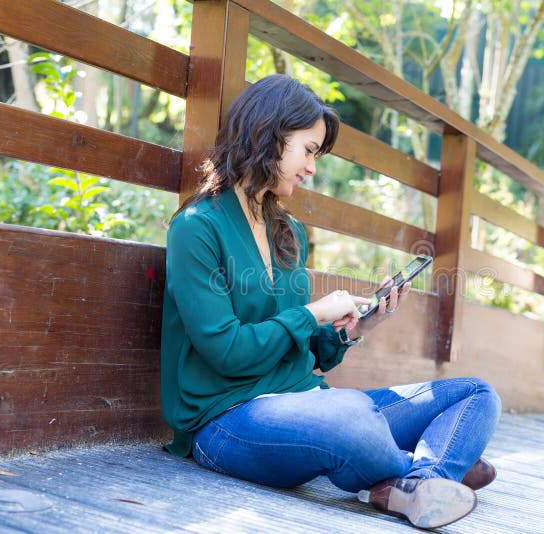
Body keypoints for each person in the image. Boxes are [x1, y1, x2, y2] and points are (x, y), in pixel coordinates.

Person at [161, 74, 501, 529]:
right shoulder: (196, 228)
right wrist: (311, 313)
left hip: (307, 401)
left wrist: (356, 328)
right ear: (269, 134)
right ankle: (432, 468)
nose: (312, 168)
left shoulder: (289, 232)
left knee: (476, 394)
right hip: (226, 420)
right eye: (308, 150)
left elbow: (308, 351)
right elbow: (227, 351)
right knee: (351, 417)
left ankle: (418, 479)